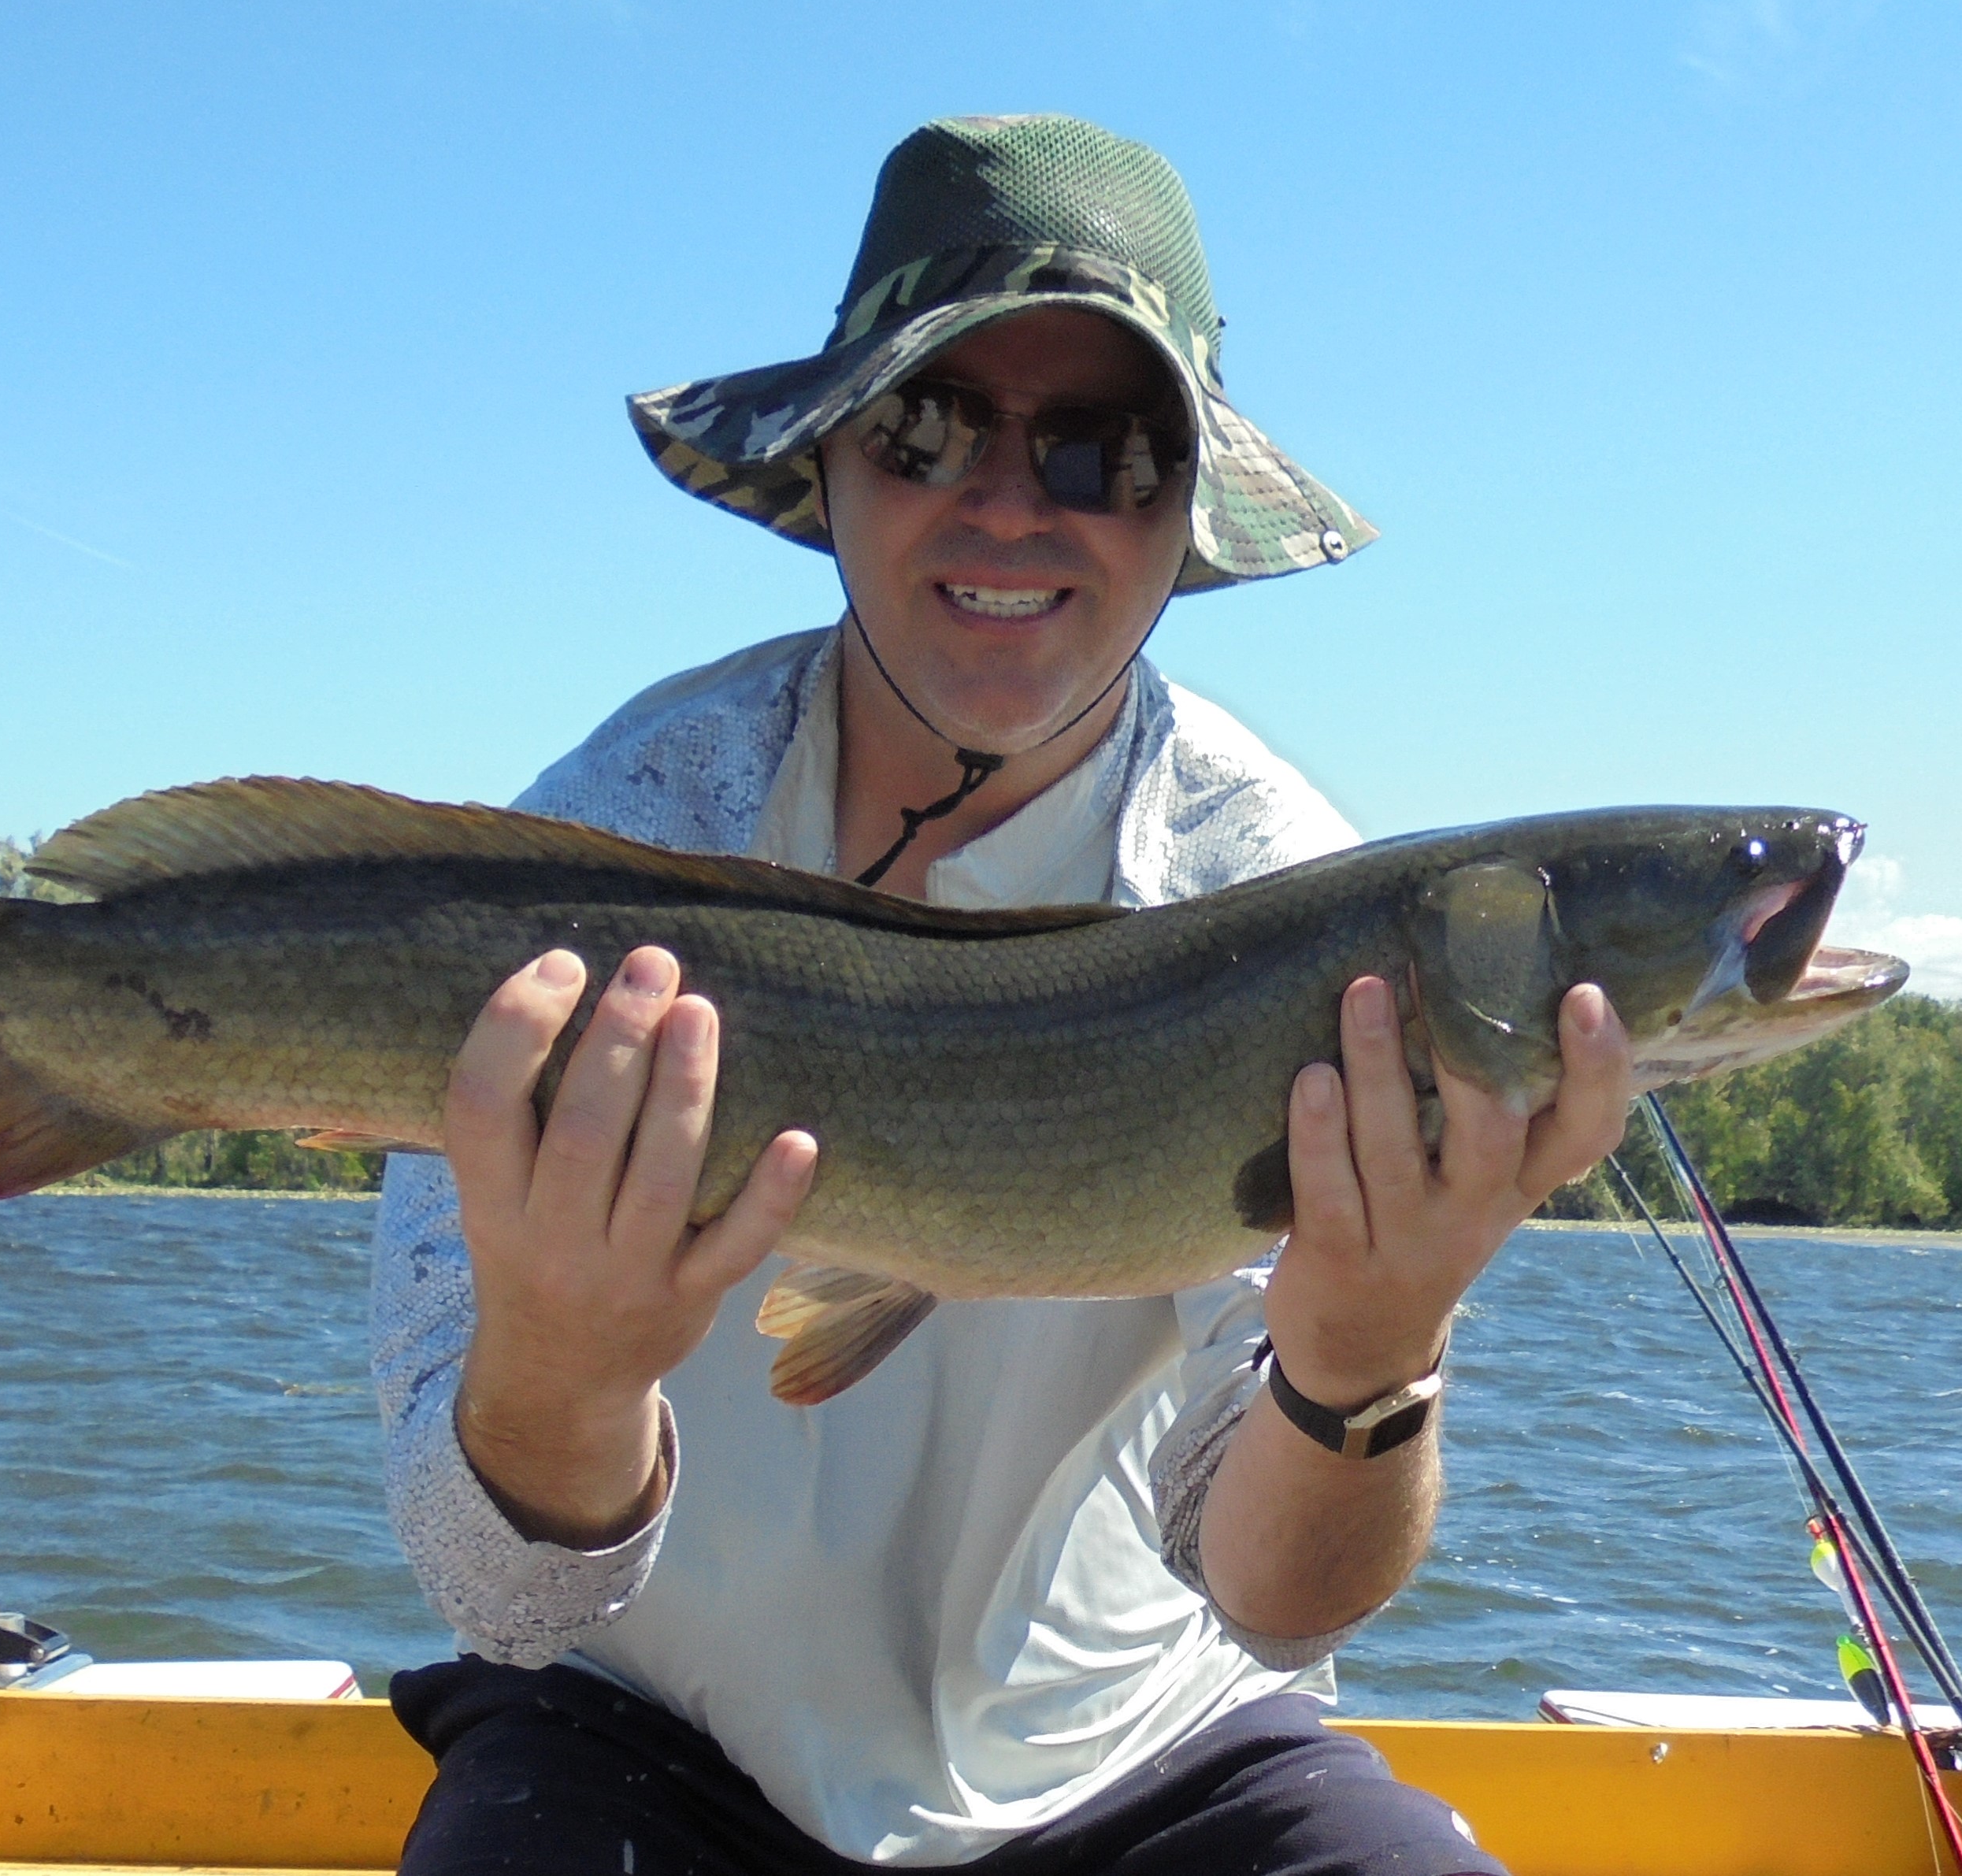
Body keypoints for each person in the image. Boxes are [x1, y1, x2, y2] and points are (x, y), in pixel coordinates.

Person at [370, 114, 1633, 1874]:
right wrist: (564, 1381)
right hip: (646, 1730)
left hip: (1147, 1761)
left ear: (1183, 513)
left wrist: (1365, 1362)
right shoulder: (603, 846)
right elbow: (494, 1589)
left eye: (1103, 448)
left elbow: (1276, 1604)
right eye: (930, 422)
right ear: (830, 471)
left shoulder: (1297, 906)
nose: (1009, 502)